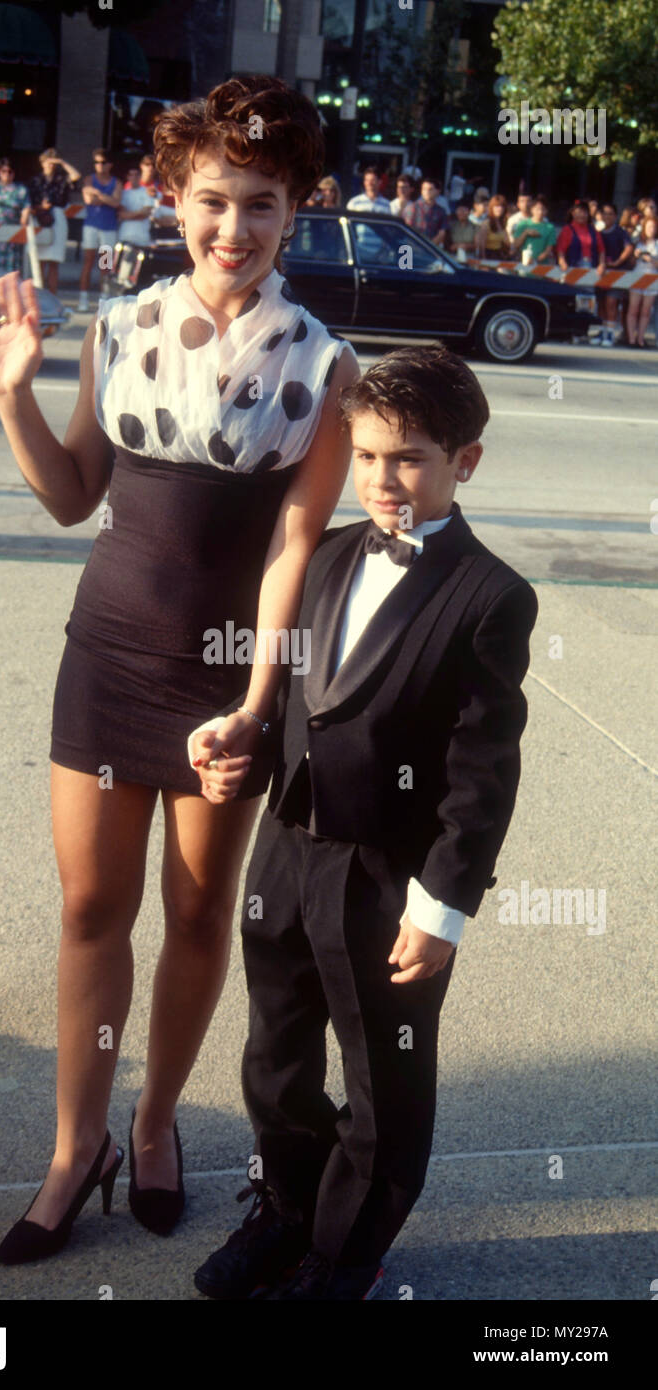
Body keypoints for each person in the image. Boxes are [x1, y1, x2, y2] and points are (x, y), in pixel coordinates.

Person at [0, 72, 359, 1268]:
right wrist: (11, 399)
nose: (232, 227)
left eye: (260, 202)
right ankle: (71, 1148)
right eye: (211, 199)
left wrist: (254, 704)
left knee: (196, 911)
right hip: (106, 661)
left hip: (226, 683)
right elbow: (70, 497)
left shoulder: (322, 364)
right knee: (92, 908)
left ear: (295, 209)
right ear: (174, 197)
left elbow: (295, 546)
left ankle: (151, 1126)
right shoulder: (119, 328)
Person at [189, 344, 537, 1301]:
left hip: (390, 875)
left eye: (410, 458)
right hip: (288, 850)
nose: (384, 479)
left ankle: (345, 1253)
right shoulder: (331, 553)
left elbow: (482, 771)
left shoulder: (490, 596)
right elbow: (305, 703)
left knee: (384, 1072)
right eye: (369, 456)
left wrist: (442, 906)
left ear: (465, 461)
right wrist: (240, 737)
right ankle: (288, 1207)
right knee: (273, 1055)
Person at [24, 148, 81, 295]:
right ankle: (38, 295)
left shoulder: (61, 179)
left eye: (53, 162)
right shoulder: (35, 181)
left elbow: (76, 176)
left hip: (58, 218)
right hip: (39, 217)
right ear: (42, 163)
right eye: (48, 162)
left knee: (54, 262)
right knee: (40, 261)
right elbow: (28, 203)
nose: (50, 165)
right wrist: (41, 207)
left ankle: (52, 296)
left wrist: (62, 162)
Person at [78, 148, 122, 311]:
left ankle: (104, 299)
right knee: (88, 261)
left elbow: (116, 203)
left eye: (102, 162)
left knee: (105, 265)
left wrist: (98, 194)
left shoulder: (116, 182)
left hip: (108, 228)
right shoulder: (89, 179)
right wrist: (106, 198)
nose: (99, 165)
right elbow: (89, 200)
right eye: (96, 162)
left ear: (109, 164)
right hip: (91, 226)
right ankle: (83, 299)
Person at [596, 202, 634, 345]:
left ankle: (610, 334)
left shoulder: (620, 232)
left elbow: (629, 248)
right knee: (601, 304)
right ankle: (602, 331)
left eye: (610, 214)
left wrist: (617, 262)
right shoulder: (596, 231)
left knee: (611, 303)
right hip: (599, 273)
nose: (607, 216)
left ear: (616, 216)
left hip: (616, 274)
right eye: (604, 213)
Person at [626, 213, 658, 347]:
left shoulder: (657, 244)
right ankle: (631, 338)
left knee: (646, 311)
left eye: (654, 227)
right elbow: (630, 263)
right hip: (637, 277)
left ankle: (640, 338)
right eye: (649, 227)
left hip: (652, 278)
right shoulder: (637, 242)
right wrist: (636, 255)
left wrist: (650, 259)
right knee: (633, 309)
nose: (651, 229)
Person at [117, 153, 156, 252]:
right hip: (124, 236)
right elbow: (121, 214)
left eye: (136, 174)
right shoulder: (123, 193)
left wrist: (128, 214)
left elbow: (146, 213)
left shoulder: (147, 192)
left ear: (140, 175)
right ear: (127, 177)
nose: (134, 177)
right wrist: (139, 213)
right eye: (131, 175)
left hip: (142, 238)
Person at [556, 200, 605, 273]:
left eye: (584, 212)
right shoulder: (567, 230)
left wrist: (602, 264)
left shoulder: (594, 231)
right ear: (572, 213)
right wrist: (562, 262)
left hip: (592, 268)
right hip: (571, 267)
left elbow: (601, 250)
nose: (582, 215)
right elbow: (560, 250)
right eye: (579, 212)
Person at [510, 195, 557, 267]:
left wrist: (536, 260)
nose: (540, 212)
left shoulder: (550, 227)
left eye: (543, 209)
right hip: (523, 264)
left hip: (542, 266)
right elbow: (516, 244)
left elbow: (548, 249)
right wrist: (525, 233)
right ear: (532, 209)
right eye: (537, 209)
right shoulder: (523, 224)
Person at [403, 178, 448, 246]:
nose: (427, 192)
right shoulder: (412, 208)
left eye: (430, 189)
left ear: (438, 191)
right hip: (412, 246)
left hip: (431, 248)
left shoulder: (441, 211)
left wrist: (428, 246)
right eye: (424, 189)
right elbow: (407, 230)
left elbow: (442, 233)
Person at [476, 193, 510, 261]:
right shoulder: (486, 223)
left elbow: (506, 242)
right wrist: (483, 260)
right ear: (492, 208)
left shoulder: (503, 224)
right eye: (497, 206)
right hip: (488, 255)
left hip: (499, 255)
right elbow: (481, 244)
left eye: (502, 206)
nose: (499, 209)